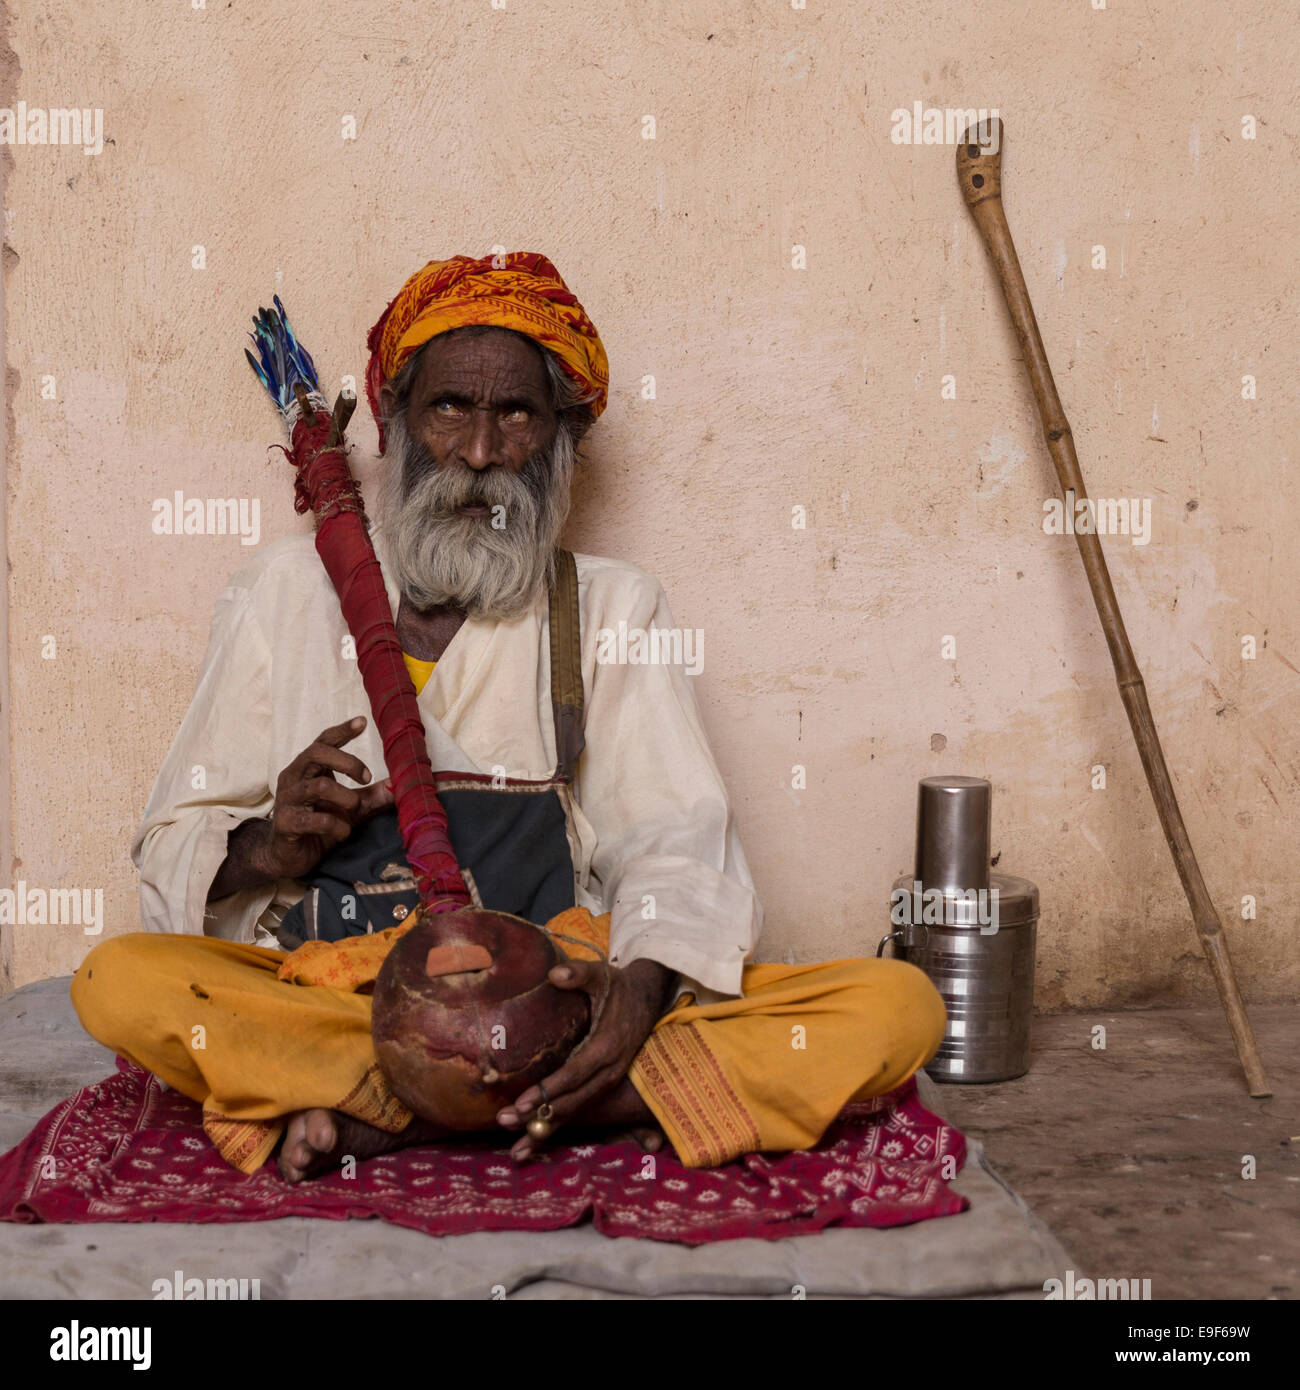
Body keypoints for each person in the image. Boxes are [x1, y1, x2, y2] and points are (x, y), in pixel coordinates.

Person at [72, 252, 945, 1182]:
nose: (480, 454)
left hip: (555, 1016)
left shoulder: (610, 609)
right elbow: (170, 848)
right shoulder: (279, 598)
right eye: (450, 408)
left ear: (560, 441)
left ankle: (403, 1112)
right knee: (119, 982)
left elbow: (676, 847)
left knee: (896, 1006)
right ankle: (570, 1112)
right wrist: (262, 850)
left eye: (516, 415)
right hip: (347, 1008)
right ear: (398, 426)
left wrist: (628, 1004)